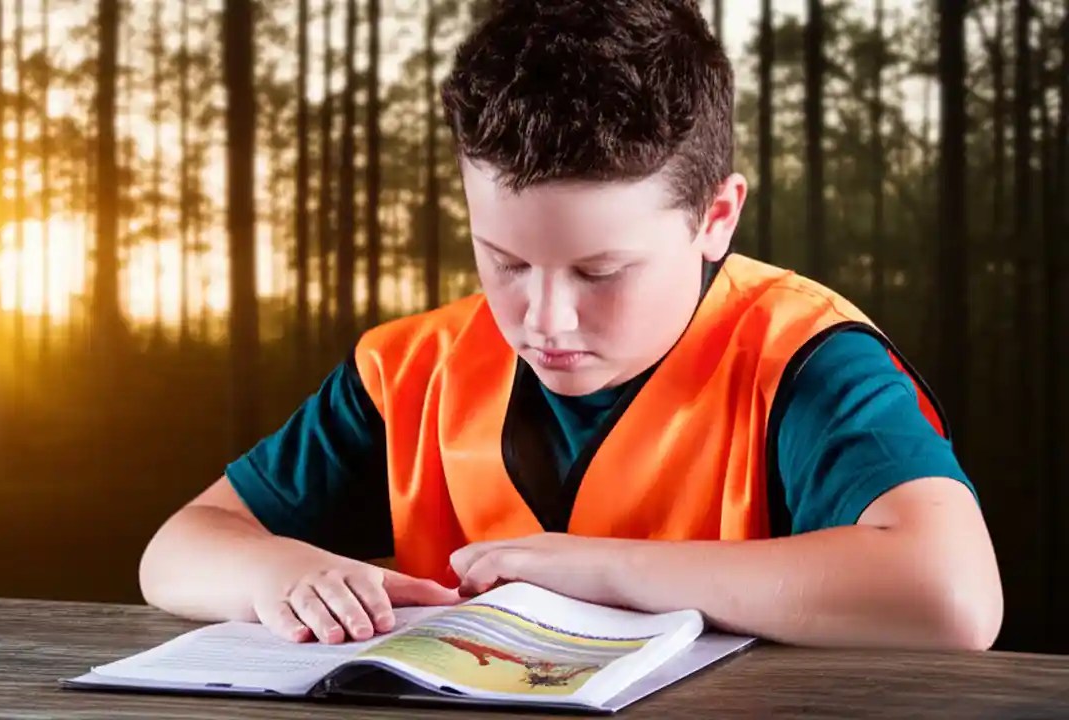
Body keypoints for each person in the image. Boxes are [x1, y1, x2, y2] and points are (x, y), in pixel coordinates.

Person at [139, 0, 1003, 651]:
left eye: (600, 272)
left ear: (716, 217)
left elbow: (955, 599)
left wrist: (603, 566)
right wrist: (282, 573)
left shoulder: (805, 361)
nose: (544, 320)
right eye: (505, 261)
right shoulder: (409, 370)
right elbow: (177, 550)